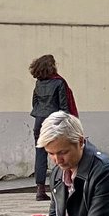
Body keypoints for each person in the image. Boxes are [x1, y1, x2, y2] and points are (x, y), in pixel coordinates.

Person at [29, 55, 77, 201]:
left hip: (39, 121)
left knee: (40, 154)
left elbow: (34, 103)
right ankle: (64, 184)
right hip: (54, 121)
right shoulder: (59, 82)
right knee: (61, 153)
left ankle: (40, 189)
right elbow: (63, 106)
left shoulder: (38, 83)